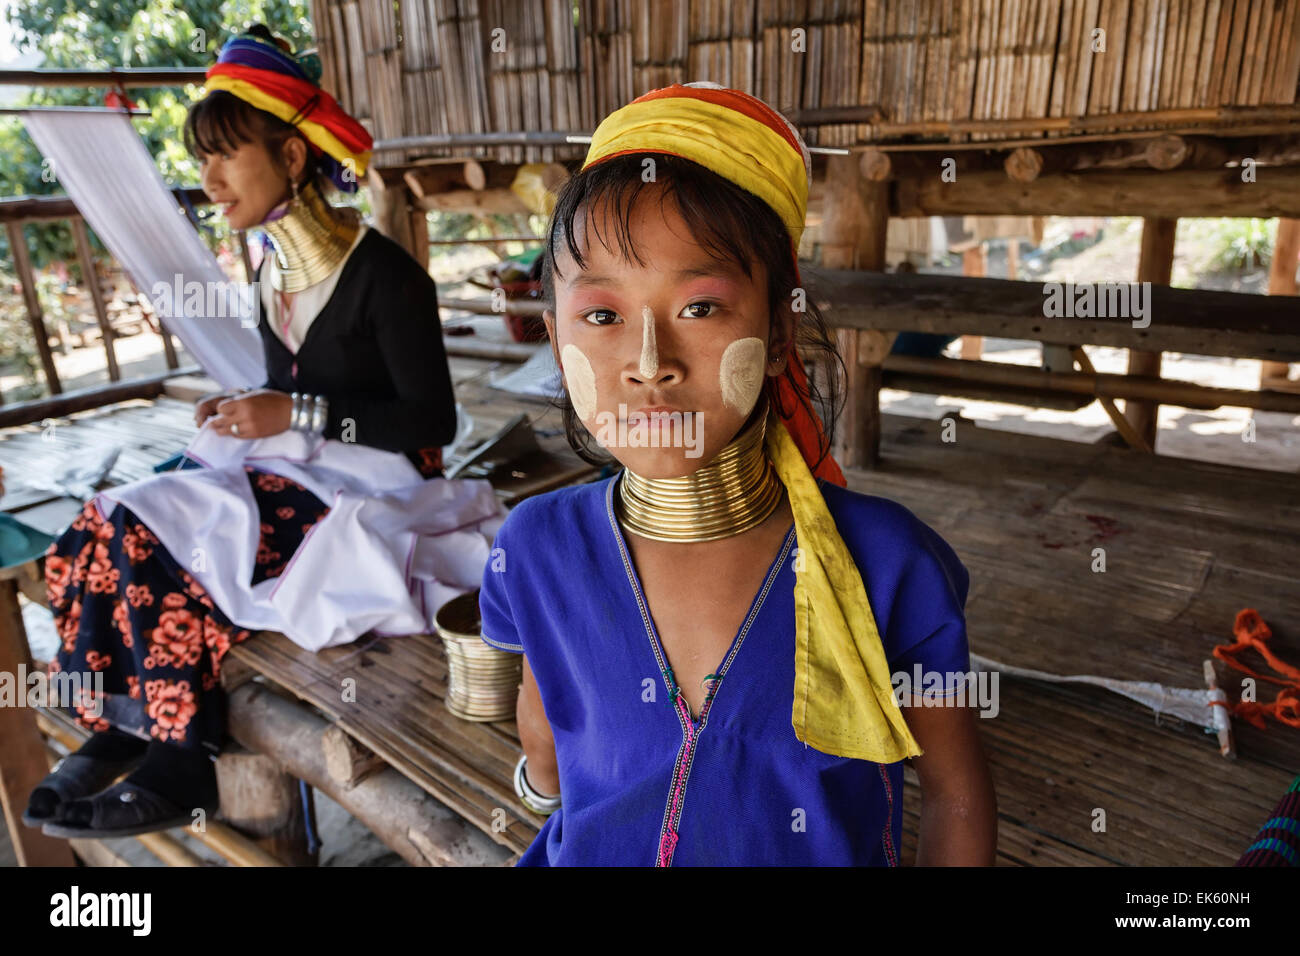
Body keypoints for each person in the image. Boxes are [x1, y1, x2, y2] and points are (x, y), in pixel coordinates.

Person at [478, 83, 997, 865]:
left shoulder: (890, 563)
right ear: (555, 340)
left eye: (701, 309)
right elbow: (546, 734)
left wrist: (544, 784)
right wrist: (544, 791)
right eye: (603, 316)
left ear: (780, 331)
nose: (650, 366)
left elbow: (954, 793)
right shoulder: (534, 545)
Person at [24, 24, 463, 839]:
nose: (208, 178)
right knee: (101, 519)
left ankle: (186, 753)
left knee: (158, 530)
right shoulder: (269, 272)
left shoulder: (386, 277)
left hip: (375, 483)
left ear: (292, 158)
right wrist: (245, 407)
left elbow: (435, 423)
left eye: (226, 155)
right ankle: (124, 721)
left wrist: (289, 414)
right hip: (296, 468)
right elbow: (288, 388)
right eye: (201, 158)